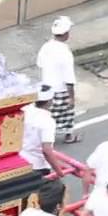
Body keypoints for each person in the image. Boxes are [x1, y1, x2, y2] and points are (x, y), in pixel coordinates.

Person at [36, 16, 79, 144]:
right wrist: (72, 97)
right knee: (67, 113)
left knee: (47, 114)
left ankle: (42, 137)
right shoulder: (65, 52)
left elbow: (40, 64)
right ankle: (68, 136)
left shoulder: (46, 46)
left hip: (47, 87)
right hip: (60, 89)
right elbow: (69, 78)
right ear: (66, 34)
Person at [19, 85, 61, 175]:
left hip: (20, 161)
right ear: (50, 101)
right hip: (38, 166)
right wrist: (59, 171)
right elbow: (46, 150)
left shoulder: (25, 110)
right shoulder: (47, 121)